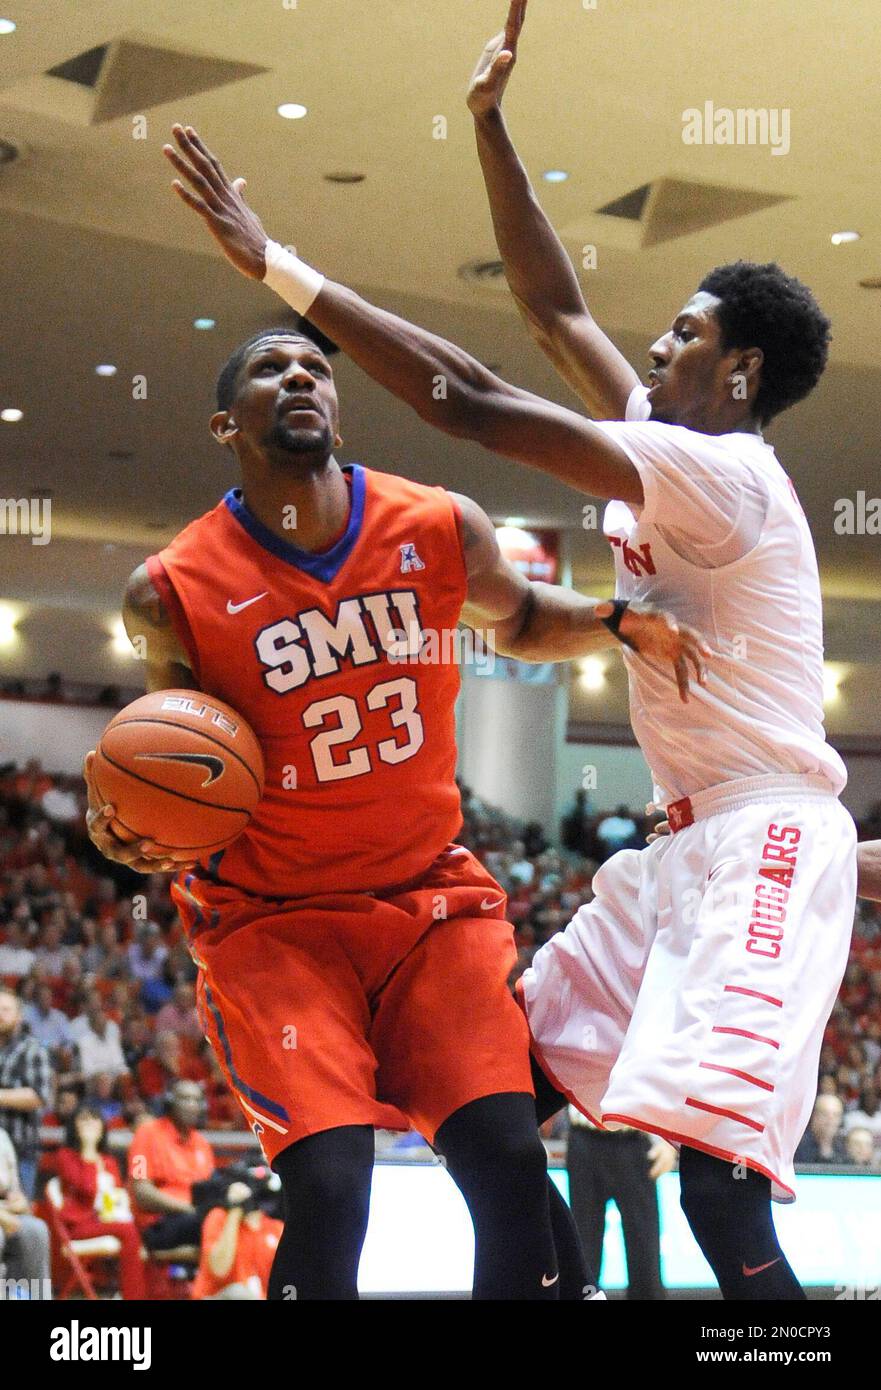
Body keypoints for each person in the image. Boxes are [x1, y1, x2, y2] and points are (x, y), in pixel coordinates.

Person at [153, 41, 861, 1297]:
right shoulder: (664, 435)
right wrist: (489, 125)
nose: (657, 344)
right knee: (500, 1104)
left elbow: (471, 399)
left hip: (759, 841)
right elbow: (553, 311)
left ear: (738, 374)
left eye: (686, 333)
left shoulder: (724, 470)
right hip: (682, 846)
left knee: (711, 1186)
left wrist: (278, 267)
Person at [81, 129, 710, 1304]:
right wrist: (119, 824)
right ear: (229, 427)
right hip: (273, 921)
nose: (303, 379)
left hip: (427, 902)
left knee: (510, 1159)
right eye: (271, 371)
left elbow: (520, 620)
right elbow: (160, 754)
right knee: (327, 1186)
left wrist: (616, 622)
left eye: (313, 369)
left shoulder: (431, 526)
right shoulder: (170, 586)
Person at [566, 1108, 674, 1300]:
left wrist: (668, 1139)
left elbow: (661, 1080)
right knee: (583, 1253)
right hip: (583, 1139)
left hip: (634, 1141)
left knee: (645, 1255)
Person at [54, 1103, 146, 1299]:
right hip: (80, 1224)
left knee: (139, 1225)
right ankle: (134, 1296)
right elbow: (87, 1189)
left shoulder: (109, 1161)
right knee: (128, 1231)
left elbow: (118, 1194)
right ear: (74, 1126)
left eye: (94, 1119)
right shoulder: (66, 1156)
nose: (90, 1125)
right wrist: (88, 1148)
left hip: (106, 1219)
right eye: (84, 1120)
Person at [127, 1079, 215, 1254]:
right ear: (169, 1102)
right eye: (185, 1099)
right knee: (216, 1225)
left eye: (196, 1100)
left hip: (197, 1218)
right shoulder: (147, 1133)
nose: (191, 1105)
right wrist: (190, 1209)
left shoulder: (202, 1144)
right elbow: (141, 1193)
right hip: (159, 1223)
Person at [191, 1179, 283, 1300]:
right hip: (217, 1296)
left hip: (259, 1296)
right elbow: (219, 1269)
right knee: (238, 1293)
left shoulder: (276, 1227)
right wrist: (235, 1211)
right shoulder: (218, 1217)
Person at [0, 987, 51, 1199]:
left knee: (19, 1221)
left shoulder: (32, 1049)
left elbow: (39, 1096)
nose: (0, 1014)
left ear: (19, 1016)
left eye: (5, 1009)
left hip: (20, 1150)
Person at [0, 1124, 51, 1298]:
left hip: (6, 1208)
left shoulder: (2, 1137)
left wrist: (20, 1202)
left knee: (36, 1230)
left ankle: (37, 1297)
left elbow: (15, 1190)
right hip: (2, 1215)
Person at [794, 1095, 848, 1164]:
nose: (830, 1120)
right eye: (825, 1114)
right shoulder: (798, 1145)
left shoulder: (844, 1148)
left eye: (836, 1115)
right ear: (814, 1116)